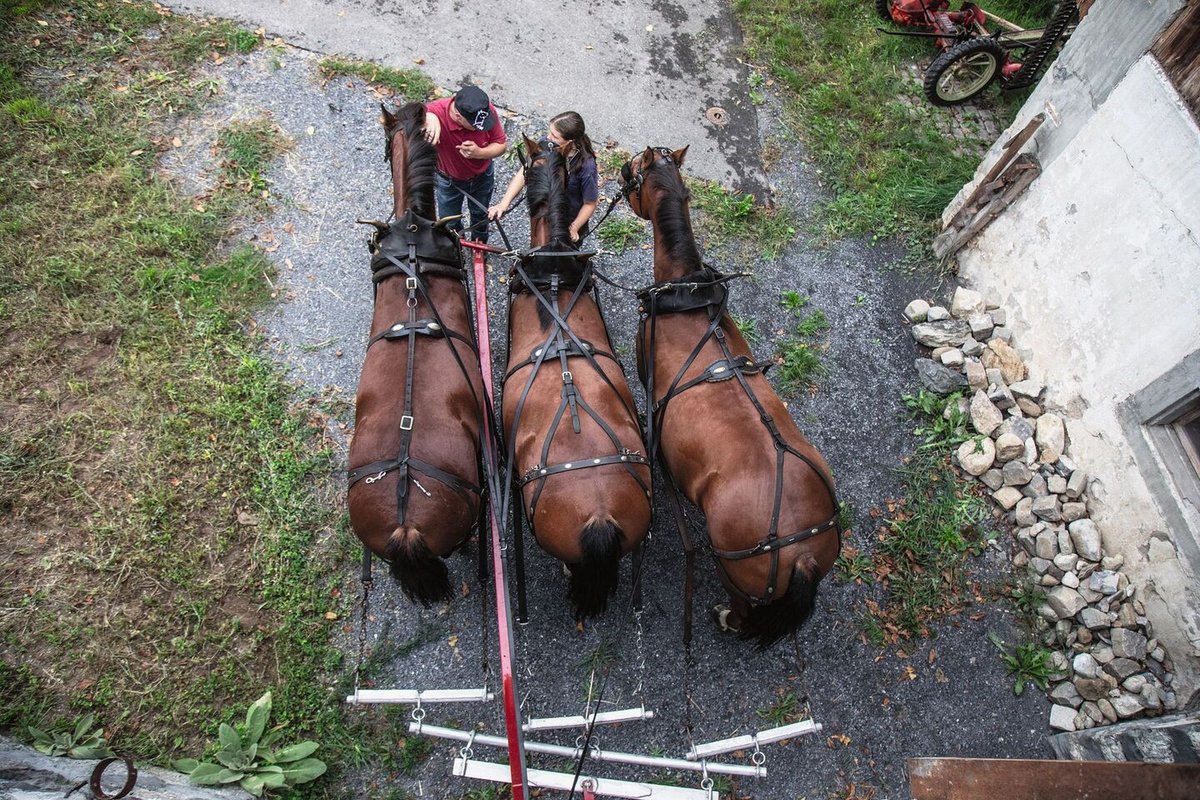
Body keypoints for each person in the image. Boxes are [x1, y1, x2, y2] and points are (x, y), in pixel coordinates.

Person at [488, 111, 598, 245]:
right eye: (550, 132)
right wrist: (504, 203)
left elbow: (590, 203)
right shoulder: (546, 146)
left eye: (554, 136)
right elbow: (525, 173)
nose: (548, 137)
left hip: (569, 219)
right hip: (544, 213)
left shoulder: (587, 166)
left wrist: (574, 227)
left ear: (569, 143)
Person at [424, 85, 507, 243]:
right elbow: (405, 119)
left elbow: (501, 145)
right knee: (449, 220)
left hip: (482, 176)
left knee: (480, 216)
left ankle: (479, 245)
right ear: (458, 115)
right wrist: (428, 116)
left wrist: (479, 153)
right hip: (449, 181)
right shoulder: (435, 113)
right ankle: (455, 246)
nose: (480, 128)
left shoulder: (483, 110)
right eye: (475, 125)